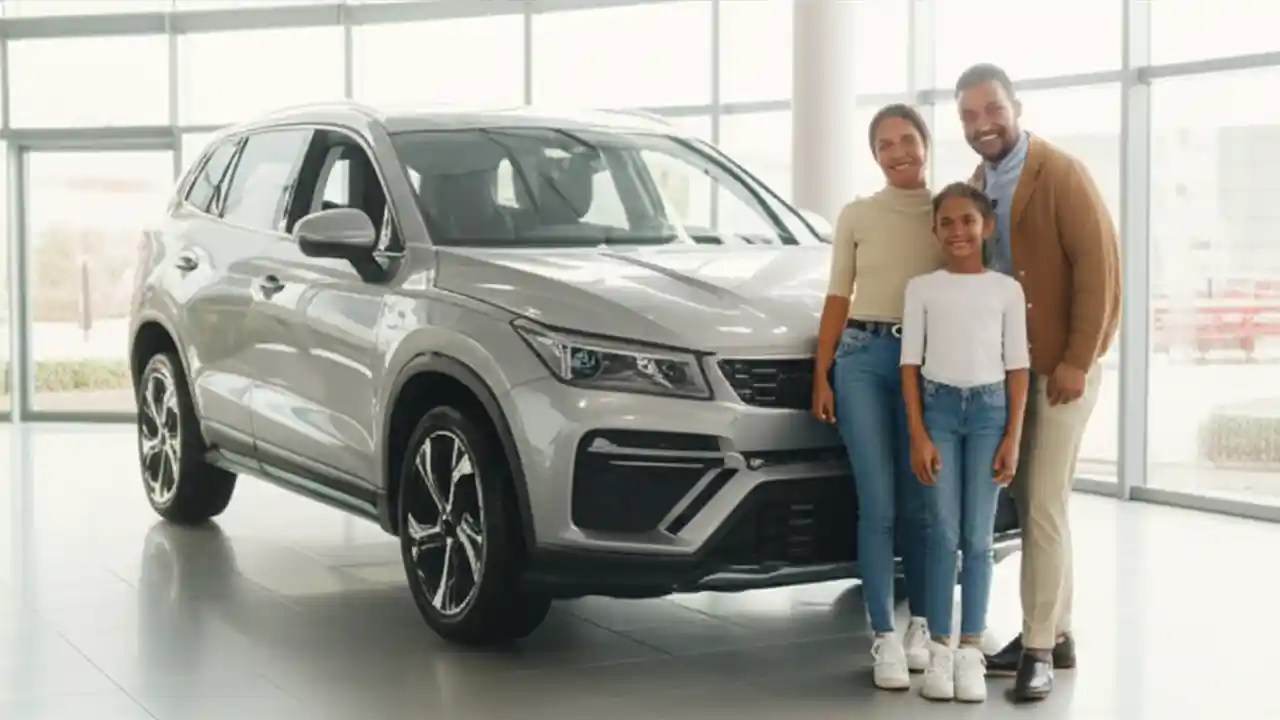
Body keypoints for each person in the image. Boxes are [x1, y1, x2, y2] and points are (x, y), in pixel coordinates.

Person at [953, 63, 1121, 702]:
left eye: (991, 109)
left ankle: (1037, 649)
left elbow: (1100, 267)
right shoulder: (978, 181)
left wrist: (1079, 356)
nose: (982, 124)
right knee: (1038, 508)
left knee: (1042, 508)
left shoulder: (1061, 172)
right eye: (968, 116)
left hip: (1060, 370)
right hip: (1011, 376)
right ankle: (1061, 630)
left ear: (1015, 105)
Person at [812, 103, 943, 690]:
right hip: (862, 360)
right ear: (875, 155)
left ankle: (922, 623)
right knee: (878, 504)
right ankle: (882, 637)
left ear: (926, 143)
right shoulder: (858, 214)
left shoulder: (949, 213)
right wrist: (822, 374)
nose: (899, 152)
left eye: (907, 140)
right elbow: (839, 295)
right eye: (885, 144)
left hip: (928, 362)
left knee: (922, 506)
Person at [900, 183, 1030, 703]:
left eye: (967, 221)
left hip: (990, 412)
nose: (958, 231)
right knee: (942, 532)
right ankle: (938, 651)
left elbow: (1018, 365)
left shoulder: (1006, 290)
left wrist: (1013, 437)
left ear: (987, 227)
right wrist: (918, 434)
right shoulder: (922, 288)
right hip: (938, 409)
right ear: (934, 231)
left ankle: (971, 650)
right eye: (947, 223)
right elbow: (909, 363)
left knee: (978, 537)